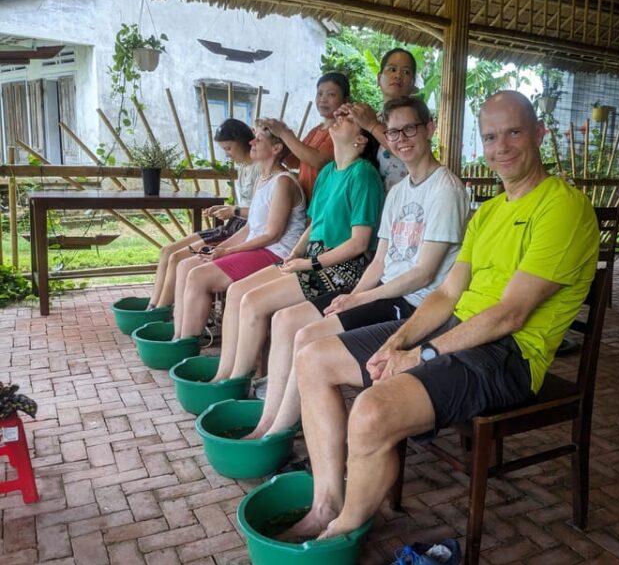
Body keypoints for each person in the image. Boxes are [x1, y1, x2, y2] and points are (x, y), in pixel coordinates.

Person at [288, 90, 600, 540]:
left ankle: (343, 533)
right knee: (313, 358)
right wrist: (400, 341)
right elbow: (447, 293)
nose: (502, 147)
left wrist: (423, 355)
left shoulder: (562, 207)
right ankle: (326, 503)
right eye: (491, 137)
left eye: (514, 132)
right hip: (458, 331)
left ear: (539, 133)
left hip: (511, 355)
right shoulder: (489, 212)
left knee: (373, 412)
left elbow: (511, 315)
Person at [243, 96, 469, 439]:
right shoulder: (398, 192)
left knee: (308, 340)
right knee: (298, 329)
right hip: (387, 296)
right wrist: (354, 297)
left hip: (417, 307)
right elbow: (380, 261)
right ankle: (269, 424)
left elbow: (423, 273)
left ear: (430, 129)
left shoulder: (446, 189)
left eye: (410, 128)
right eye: (393, 133)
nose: (401, 139)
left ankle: (275, 433)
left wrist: (362, 298)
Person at [210, 109, 385, 383]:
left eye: (348, 121)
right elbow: (315, 224)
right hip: (313, 258)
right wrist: (294, 255)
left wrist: (309, 263)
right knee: (239, 292)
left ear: (361, 141)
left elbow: (359, 243)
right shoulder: (328, 172)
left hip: (343, 267)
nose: (338, 120)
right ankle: (227, 372)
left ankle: (235, 382)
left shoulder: (363, 175)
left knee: (255, 302)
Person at [171, 121, 306, 339]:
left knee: (198, 276)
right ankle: (178, 337)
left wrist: (229, 252)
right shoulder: (263, 178)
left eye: (259, 139)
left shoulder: (283, 182)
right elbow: (251, 228)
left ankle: (185, 346)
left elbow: (272, 234)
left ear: (276, 148)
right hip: (261, 247)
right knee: (189, 264)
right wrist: (219, 249)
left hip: (277, 252)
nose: (251, 141)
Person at [149, 119, 258, 309]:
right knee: (167, 251)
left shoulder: (260, 169)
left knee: (176, 258)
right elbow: (246, 204)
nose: (227, 154)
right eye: (224, 149)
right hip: (232, 225)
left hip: (241, 231)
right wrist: (226, 210)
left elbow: (263, 213)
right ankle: (152, 306)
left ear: (244, 142)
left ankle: (160, 311)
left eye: (229, 149)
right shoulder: (243, 167)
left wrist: (234, 210)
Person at [339, 48, 418, 190]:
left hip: (402, 204)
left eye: (406, 72)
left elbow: (406, 150)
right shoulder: (374, 116)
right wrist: (345, 125)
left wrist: (372, 125)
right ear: (379, 78)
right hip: (371, 202)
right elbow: (355, 151)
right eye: (392, 69)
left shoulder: (417, 117)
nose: (398, 75)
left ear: (412, 85)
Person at [261, 72, 348, 201]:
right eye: (319, 93)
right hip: (306, 200)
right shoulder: (315, 130)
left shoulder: (342, 130)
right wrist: (275, 142)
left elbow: (318, 161)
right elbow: (295, 162)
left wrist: (284, 133)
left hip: (323, 202)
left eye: (331, 94)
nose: (323, 99)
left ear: (345, 100)